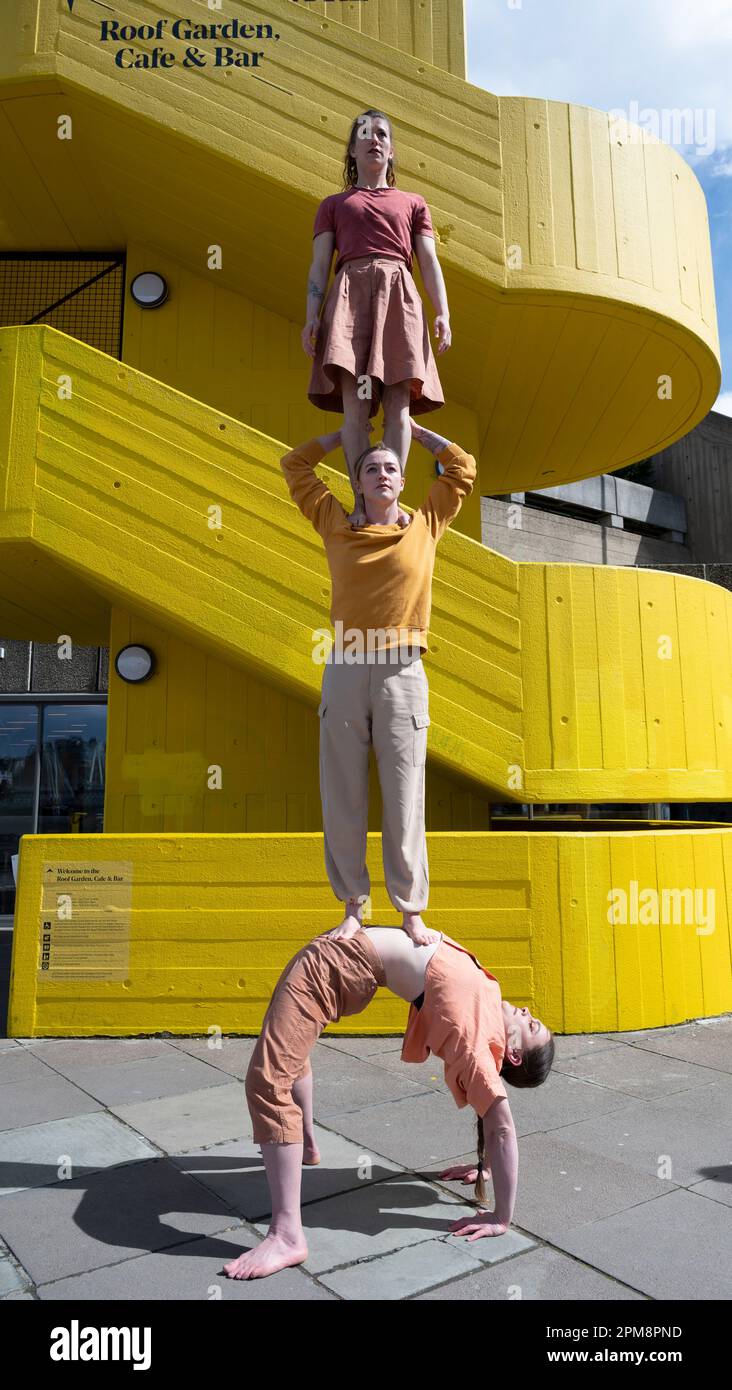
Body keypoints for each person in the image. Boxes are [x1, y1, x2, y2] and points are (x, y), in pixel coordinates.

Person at [223, 925, 555, 1280]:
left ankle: (286, 1235)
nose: (525, 1010)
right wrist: (485, 1167)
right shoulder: (486, 1008)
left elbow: (500, 1125)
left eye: (531, 1024)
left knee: (268, 1081)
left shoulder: (476, 1036)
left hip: (334, 964)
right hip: (333, 958)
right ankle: (305, 1144)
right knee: (287, 1047)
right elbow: (488, 1106)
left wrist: (501, 1216)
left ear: (516, 1054)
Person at [280, 417, 476, 944]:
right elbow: (294, 465)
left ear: (403, 479)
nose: (383, 474)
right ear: (358, 482)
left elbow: (461, 468)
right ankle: (352, 906)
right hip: (346, 666)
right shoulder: (334, 523)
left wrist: (413, 427)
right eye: (372, 468)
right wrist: (346, 434)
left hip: (402, 669)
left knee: (405, 792)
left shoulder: (425, 525)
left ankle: (411, 910)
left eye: (392, 467)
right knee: (341, 789)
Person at [303, 108, 451, 525]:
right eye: (365, 134)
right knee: (356, 405)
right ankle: (362, 503)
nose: (374, 139)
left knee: (398, 405)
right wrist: (311, 317)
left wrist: (442, 312)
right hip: (349, 296)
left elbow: (429, 262)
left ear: (390, 148)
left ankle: (393, 503)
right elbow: (318, 267)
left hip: (398, 297)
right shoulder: (333, 205)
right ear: (352, 149)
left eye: (382, 133)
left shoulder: (414, 204)